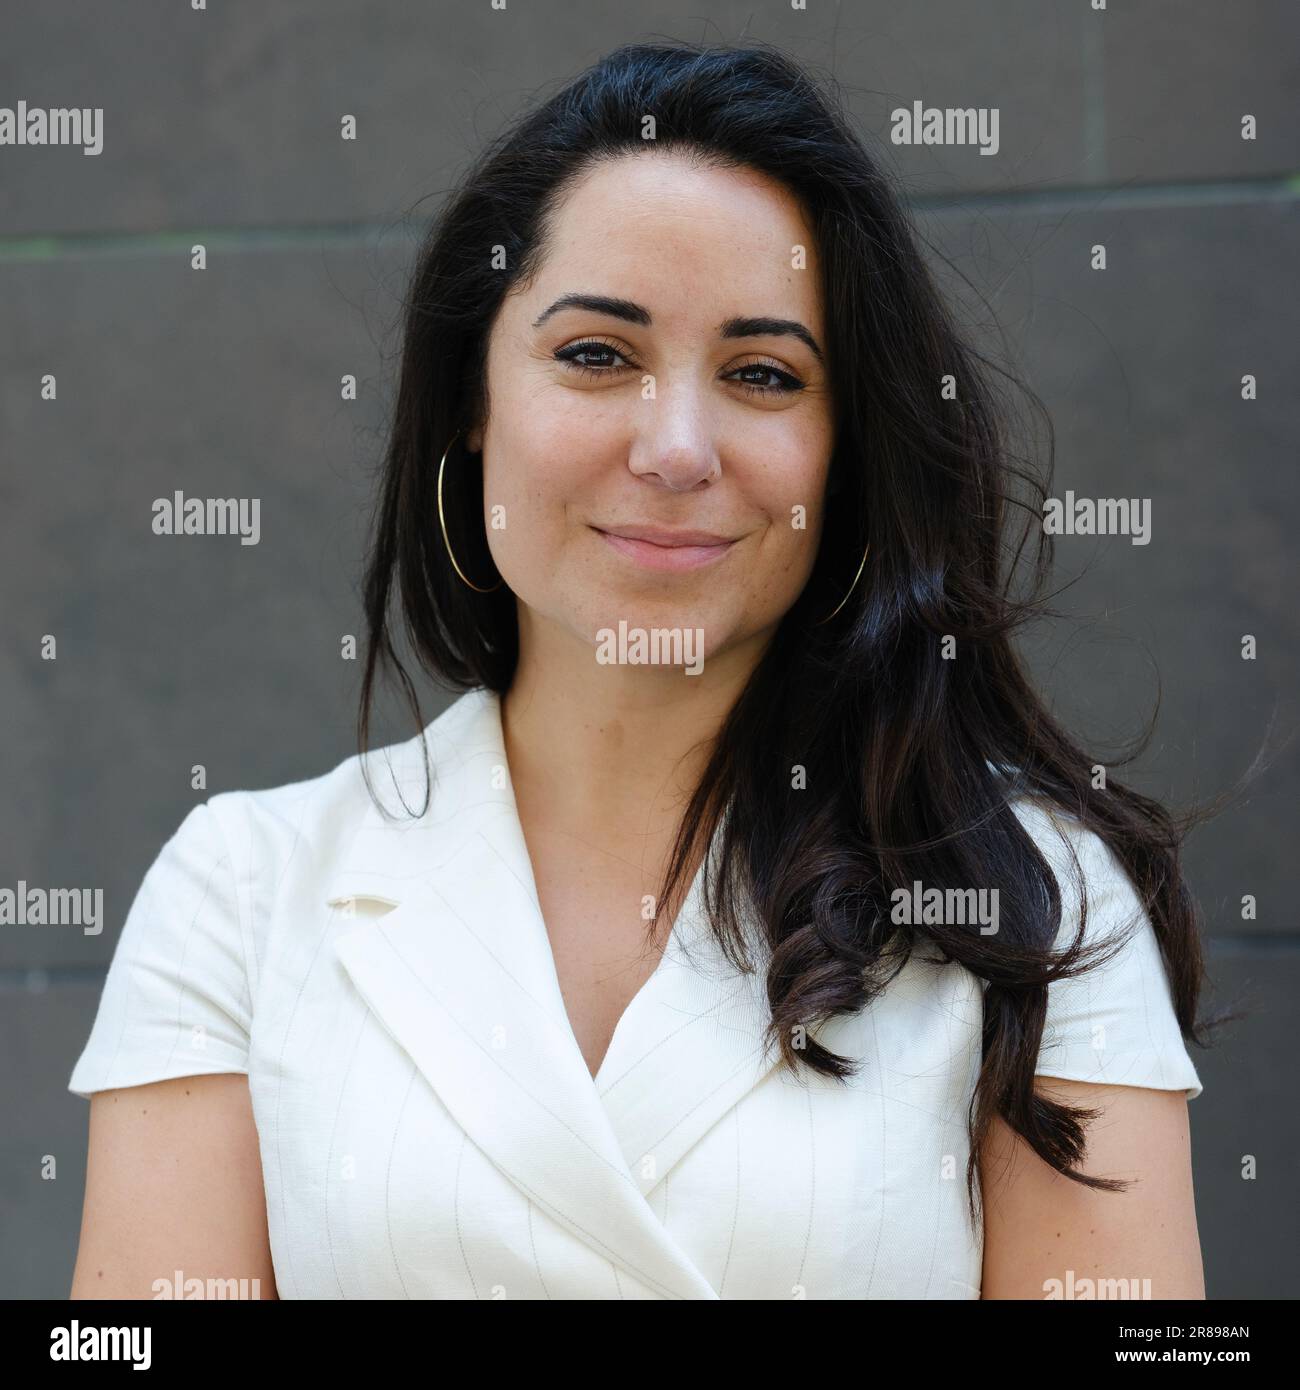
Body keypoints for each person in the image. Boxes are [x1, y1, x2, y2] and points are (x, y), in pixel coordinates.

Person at [68, 40, 1209, 1300]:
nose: (675, 448)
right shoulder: (239, 894)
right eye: (597, 354)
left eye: (762, 374)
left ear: (847, 450)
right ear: (472, 404)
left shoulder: (1031, 895)